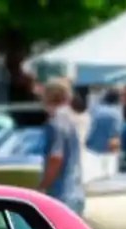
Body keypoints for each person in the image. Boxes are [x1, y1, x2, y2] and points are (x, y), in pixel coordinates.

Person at [37, 79, 85, 215]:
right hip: (76, 191)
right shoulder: (74, 119)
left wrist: (43, 186)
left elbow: (56, 157)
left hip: (61, 194)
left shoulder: (55, 122)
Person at [85, 88, 125, 181]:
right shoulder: (116, 114)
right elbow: (114, 138)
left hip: (90, 151)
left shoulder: (94, 111)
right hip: (107, 155)